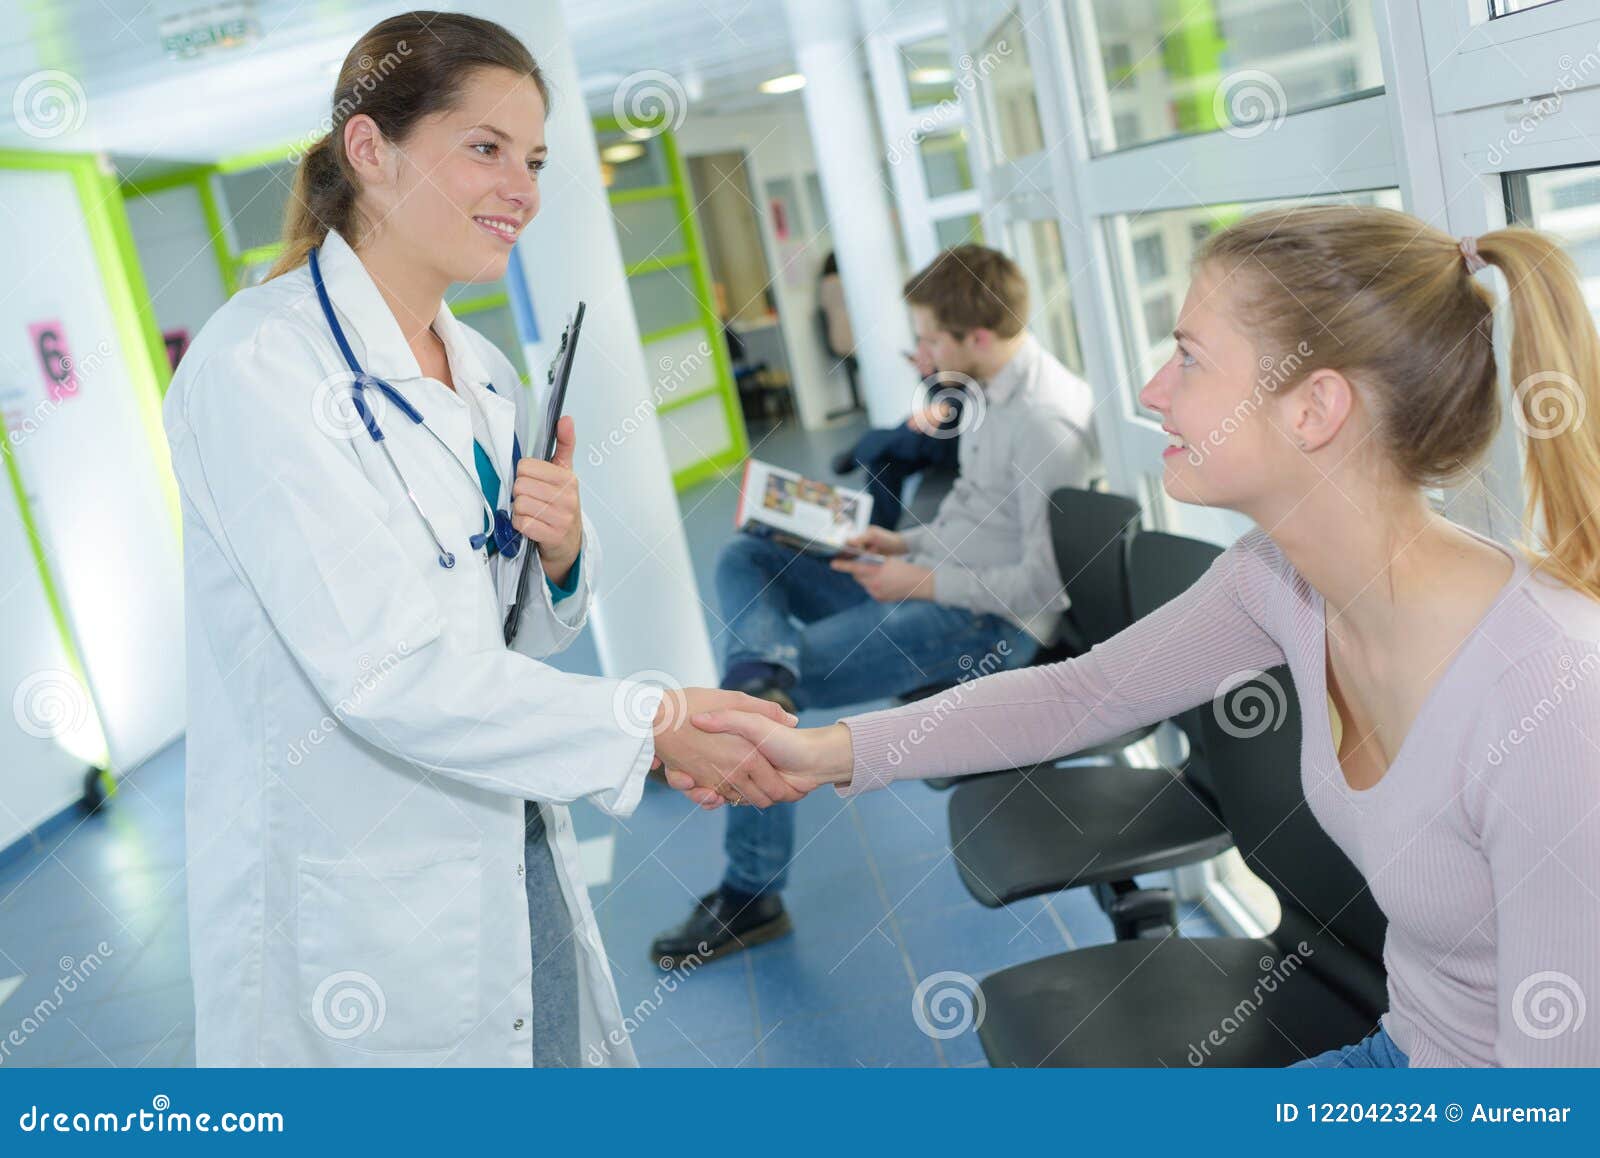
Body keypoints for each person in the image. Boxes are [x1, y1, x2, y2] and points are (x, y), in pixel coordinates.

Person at [685, 206, 1600, 1067]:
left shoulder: (1549, 694)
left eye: (1189, 359)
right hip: (1403, 1051)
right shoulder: (1277, 578)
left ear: (1314, 410)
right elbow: (1078, 694)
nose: (1151, 391)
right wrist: (817, 753)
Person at [162, 11, 805, 1068]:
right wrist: (652, 722)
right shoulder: (258, 369)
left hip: (509, 848)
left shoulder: (485, 374)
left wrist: (557, 556)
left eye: (537, 159)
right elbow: (387, 672)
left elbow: (509, 641)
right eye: (485, 149)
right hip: (361, 902)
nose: (524, 188)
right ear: (369, 150)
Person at [651, 245, 1098, 966]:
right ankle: (764, 666)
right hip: (932, 577)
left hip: (986, 624)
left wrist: (917, 581)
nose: (919, 354)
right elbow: (973, 520)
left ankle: (750, 893)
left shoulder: (1044, 422)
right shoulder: (989, 391)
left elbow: (1041, 589)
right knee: (749, 557)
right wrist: (899, 544)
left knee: (754, 708)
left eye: (929, 338)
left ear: (975, 338)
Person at [830, 343, 963, 529]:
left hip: (960, 444)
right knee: (882, 461)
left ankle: (858, 452)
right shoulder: (948, 367)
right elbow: (948, 393)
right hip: (945, 435)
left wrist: (948, 407)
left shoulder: (971, 355)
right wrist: (930, 374)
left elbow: (974, 393)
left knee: (909, 435)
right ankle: (880, 533)